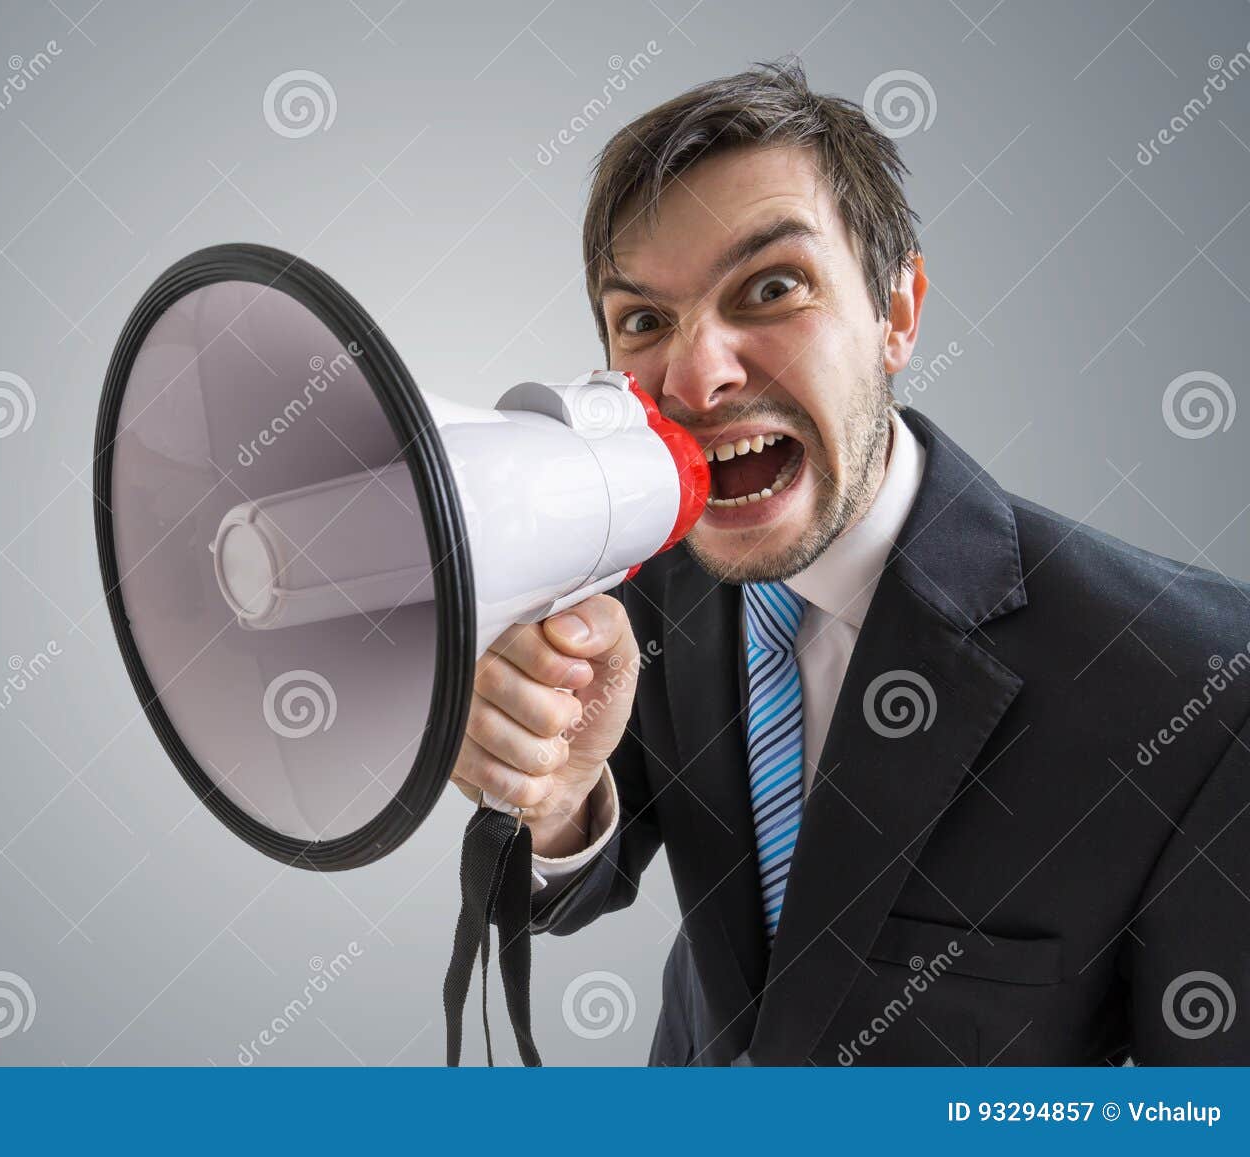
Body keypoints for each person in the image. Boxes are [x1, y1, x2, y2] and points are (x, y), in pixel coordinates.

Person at [450, 60, 1250, 1065]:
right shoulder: (636, 568)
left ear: (897, 311)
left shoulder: (1201, 685)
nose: (698, 375)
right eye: (644, 320)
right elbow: (592, 876)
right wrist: (560, 800)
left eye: (772, 286)